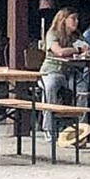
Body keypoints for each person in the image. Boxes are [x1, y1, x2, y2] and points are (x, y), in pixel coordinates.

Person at [38, 7, 85, 137]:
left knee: (83, 89)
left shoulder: (76, 36)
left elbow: (87, 49)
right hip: (51, 71)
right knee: (51, 87)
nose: (76, 22)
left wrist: (83, 50)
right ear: (63, 20)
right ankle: (49, 128)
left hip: (69, 72)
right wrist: (77, 50)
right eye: (73, 19)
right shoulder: (53, 33)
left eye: (77, 19)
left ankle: (81, 128)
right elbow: (58, 51)